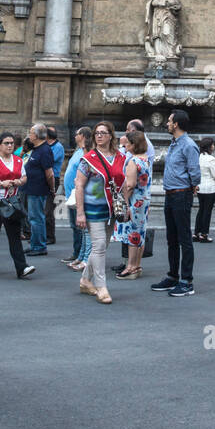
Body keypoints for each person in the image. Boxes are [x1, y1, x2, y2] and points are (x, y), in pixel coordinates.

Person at [75, 121, 126, 304]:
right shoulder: (88, 159)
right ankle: (101, 286)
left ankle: (84, 280)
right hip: (92, 208)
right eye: (97, 133)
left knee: (103, 245)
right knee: (99, 246)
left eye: (103, 133)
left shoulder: (120, 157)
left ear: (111, 136)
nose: (99, 136)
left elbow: (124, 184)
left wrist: (125, 206)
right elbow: (79, 185)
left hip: (112, 209)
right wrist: (80, 213)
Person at [152, 110, 200, 298]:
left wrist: (192, 186)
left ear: (177, 124)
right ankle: (173, 276)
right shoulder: (174, 143)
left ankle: (187, 281)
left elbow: (194, 171)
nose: (167, 124)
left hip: (181, 194)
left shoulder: (188, 145)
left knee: (184, 238)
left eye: (170, 121)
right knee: (171, 238)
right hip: (171, 194)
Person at [0, 132, 34, 279]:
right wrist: (0, 184)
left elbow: (24, 177)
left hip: (11, 202)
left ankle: (22, 268)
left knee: (14, 235)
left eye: (11, 143)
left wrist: (20, 182)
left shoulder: (18, 160)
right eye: (6, 143)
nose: (10, 146)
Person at [113, 129, 152, 279]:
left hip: (134, 201)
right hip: (144, 199)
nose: (125, 147)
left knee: (132, 234)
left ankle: (130, 267)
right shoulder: (145, 159)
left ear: (134, 144)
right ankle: (137, 265)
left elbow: (130, 185)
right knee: (139, 232)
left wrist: (124, 203)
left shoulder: (133, 161)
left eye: (128, 144)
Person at [62, 127, 92, 271]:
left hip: (81, 196)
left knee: (83, 229)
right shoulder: (78, 151)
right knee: (77, 227)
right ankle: (79, 254)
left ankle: (83, 256)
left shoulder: (87, 153)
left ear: (83, 136)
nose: (74, 136)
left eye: (77, 134)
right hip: (72, 195)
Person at [24, 123, 55, 256]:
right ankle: (35, 243)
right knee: (33, 217)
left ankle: (39, 246)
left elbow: (50, 173)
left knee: (37, 218)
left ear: (36, 135)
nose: (29, 135)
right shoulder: (37, 149)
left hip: (38, 189)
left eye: (31, 133)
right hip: (32, 189)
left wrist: (52, 188)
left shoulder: (45, 150)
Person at [194, 137, 215, 243]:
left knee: (201, 210)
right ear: (209, 147)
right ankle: (204, 234)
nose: (213, 147)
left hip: (201, 187)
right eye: (212, 145)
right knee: (207, 211)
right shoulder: (211, 159)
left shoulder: (198, 157)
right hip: (210, 188)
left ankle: (196, 233)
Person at [44, 126, 65, 246]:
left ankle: (50, 236)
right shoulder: (46, 146)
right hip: (44, 178)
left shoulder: (58, 147)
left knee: (48, 208)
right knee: (43, 209)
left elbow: (48, 161)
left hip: (53, 178)